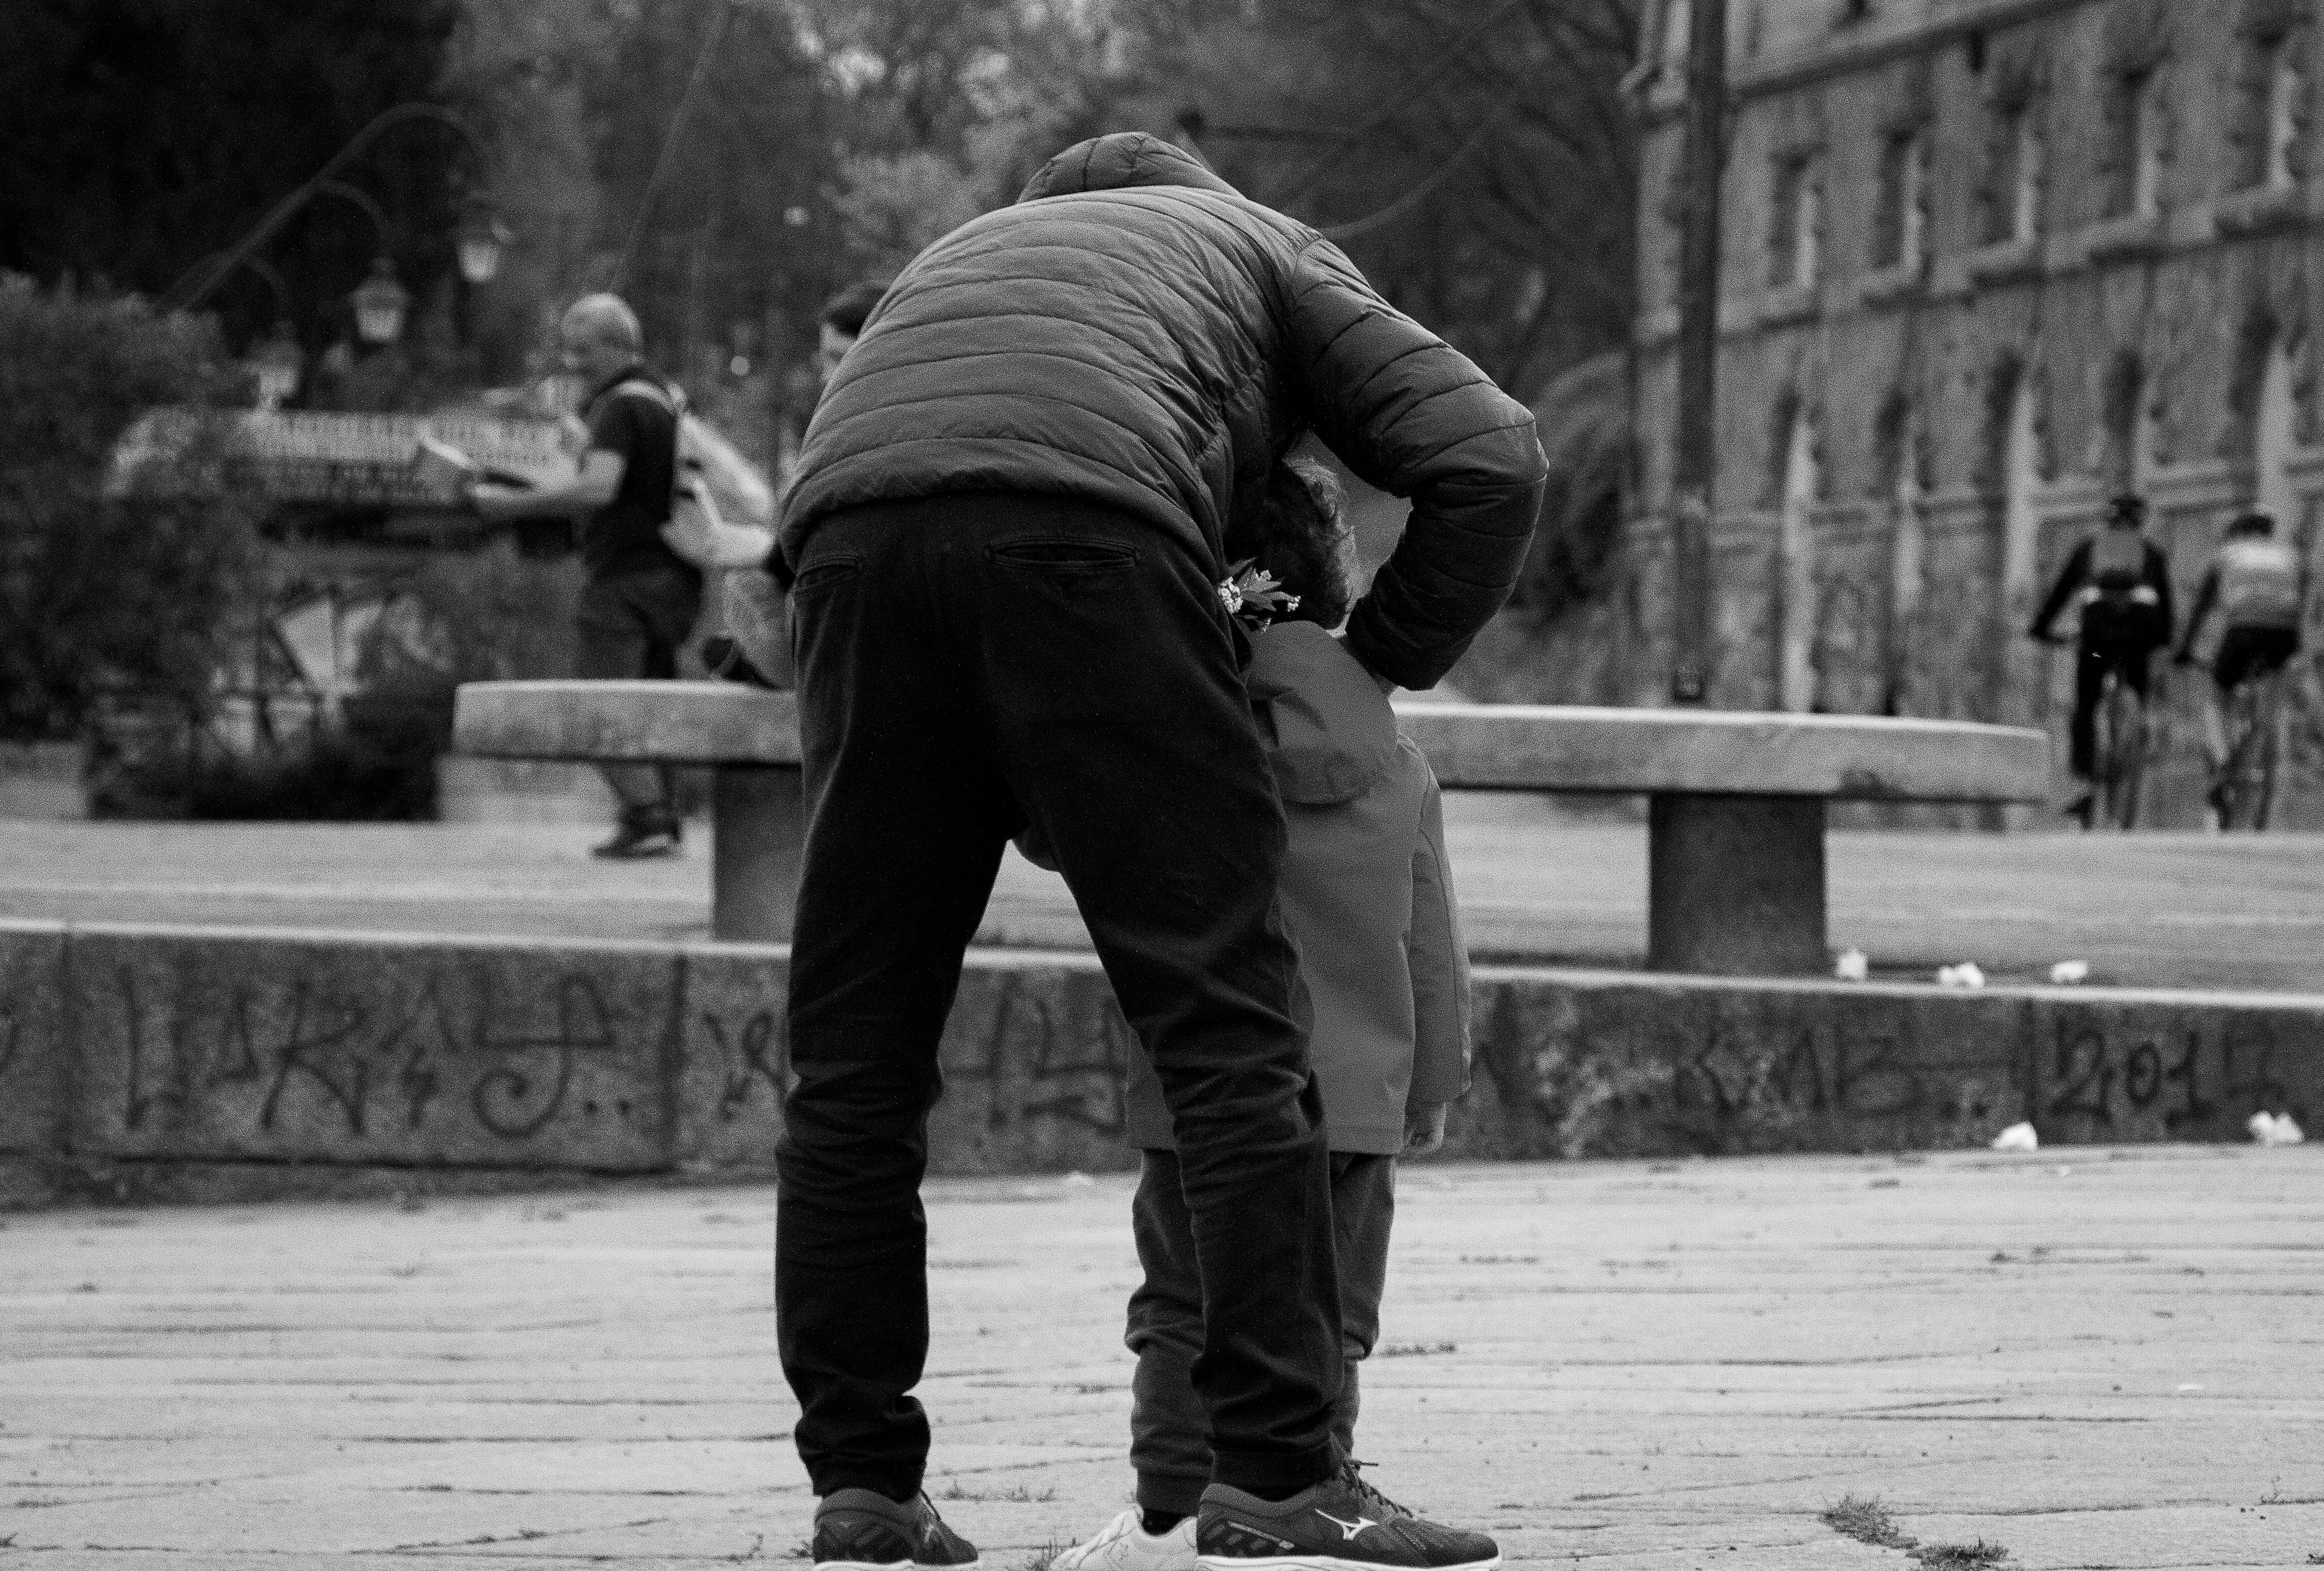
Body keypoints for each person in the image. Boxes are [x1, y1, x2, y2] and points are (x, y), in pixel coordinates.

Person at [775, 131, 1543, 1571]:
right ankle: (1278, 1473)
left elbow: (879, 515)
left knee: (854, 1056)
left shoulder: (950, 265)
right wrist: (1367, 668)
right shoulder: (1259, 244)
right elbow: (1492, 455)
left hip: (850, 551)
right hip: (1095, 535)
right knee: (1231, 1032)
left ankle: (864, 1487)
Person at [1043, 459, 1472, 1571]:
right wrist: (1429, 1086)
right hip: (1357, 1091)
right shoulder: (1393, 751)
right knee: (1329, 1310)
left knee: (1185, 1300)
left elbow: (1078, 854)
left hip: (1196, 1083)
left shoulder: (1169, 738)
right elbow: (1427, 939)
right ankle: (1310, 1486)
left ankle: (1171, 1511)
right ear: (1332, 587)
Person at [472, 294, 697, 859]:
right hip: (673, 576)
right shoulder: (662, 395)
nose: (572, 362)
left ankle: (650, 818)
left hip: (624, 578)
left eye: (584, 348)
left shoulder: (621, 406)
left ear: (620, 345)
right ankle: (651, 816)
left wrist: (510, 506)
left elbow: (600, 489)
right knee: (648, 702)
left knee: (599, 702)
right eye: (567, 348)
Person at [2028, 493, 2175, 826]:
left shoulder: (2089, 549)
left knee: (2086, 706)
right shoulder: (2152, 553)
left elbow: (2059, 595)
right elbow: (2167, 610)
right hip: (2139, 641)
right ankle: (2142, 723)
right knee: (2139, 685)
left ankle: (2084, 781)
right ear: (2141, 521)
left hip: (2097, 643)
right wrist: (2163, 644)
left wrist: (2041, 630)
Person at [2173, 509, 2306, 801]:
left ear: (2239, 533)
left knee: (2214, 695)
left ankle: (2222, 765)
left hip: (2243, 629)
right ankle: (2268, 730)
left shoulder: (2227, 555)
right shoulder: (2290, 556)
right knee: (2277, 685)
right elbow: (2303, 601)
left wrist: (2184, 651)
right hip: (2285, 633)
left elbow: (2202, 609)